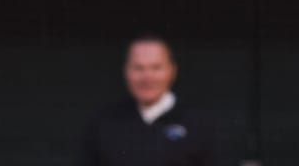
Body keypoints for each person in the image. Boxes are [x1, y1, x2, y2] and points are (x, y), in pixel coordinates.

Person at [82, 35, 221, 166]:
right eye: (138, 68)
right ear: (126, 71)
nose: (147, 77)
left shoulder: (200, 124)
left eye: (156, 68)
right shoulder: (104, 123)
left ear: (172, 71)